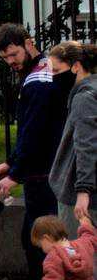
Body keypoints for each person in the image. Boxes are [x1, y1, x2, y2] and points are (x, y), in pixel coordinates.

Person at [0, 24, 68, 280]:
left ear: (28, 43)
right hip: (48, 171)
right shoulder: (43, 73)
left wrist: (16, 173)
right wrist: (11, 162)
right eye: (6, 58)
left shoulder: (36, 81)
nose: (11, 62)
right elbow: (33, 131)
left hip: (43, 176)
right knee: (44, 240)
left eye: (14, 54)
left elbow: (34, 132)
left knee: (39, 242)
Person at [48, 42, 97, 242]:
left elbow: (86, 145)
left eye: (57, 70)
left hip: (81, 197)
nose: (54, 77)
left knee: (79, 260)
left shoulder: (84, 98)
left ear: (76, 66)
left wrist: (83, 191)